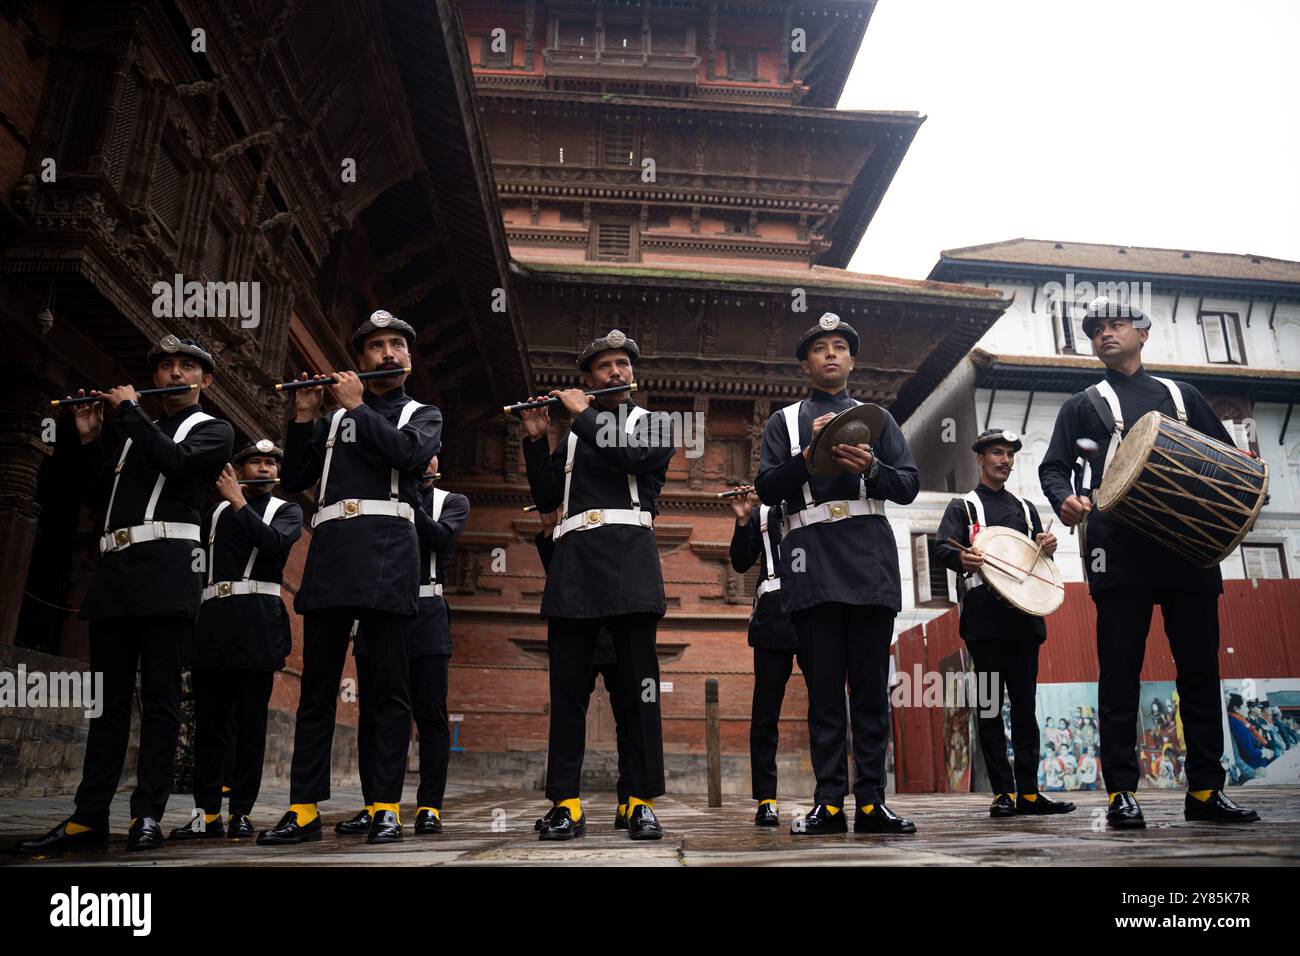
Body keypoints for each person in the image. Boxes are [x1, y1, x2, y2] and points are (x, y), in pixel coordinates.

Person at [1039, 296, 1259, 827]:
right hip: (1118, 550)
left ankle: (1206, 792)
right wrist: (1064, 497)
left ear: (1144, 334)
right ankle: (1120, 793)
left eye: (1116, 325)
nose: (1105, 334)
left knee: (1201, 672)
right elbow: (1053, 469)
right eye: (1096, 330)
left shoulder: (1183, 396)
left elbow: (1225, 458)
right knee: (1120, 674)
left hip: (1190, 547)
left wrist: (1246, 478)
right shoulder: (1082, 404)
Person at [20, 336, 233, 853]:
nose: (174, 372)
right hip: (117, 574)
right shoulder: (136, 432)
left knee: (160, 702)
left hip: (166, 574)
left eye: (187, 365)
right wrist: (93, 440)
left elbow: (177, 465)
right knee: (106, 704)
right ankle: (88, 815)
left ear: (205, 381)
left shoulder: (214, 430)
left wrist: (130, 414)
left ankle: (147, 816)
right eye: (164, 365)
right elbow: (102, 502)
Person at [258, 309, 441, 846]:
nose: (388, 353)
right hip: (334, 552)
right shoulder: (335, 418)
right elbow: (293, 479)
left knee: (388, 687)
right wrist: (304, 417)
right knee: (317, 686)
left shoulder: (421, 412)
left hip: (389, 550)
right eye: (376, 346)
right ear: (360, 359)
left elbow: (409, 455)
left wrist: (358, 404)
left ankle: (384, 805)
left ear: (409, 357)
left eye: (397, 345)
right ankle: (304, 808)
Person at [754, 312, 919, 835]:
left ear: (852, 359)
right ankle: (829, 801)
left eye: (840, 347)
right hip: (812, 561)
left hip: (869, 560)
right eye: (820, 347)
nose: (831, 354)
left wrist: (869, 466)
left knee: (869, 690)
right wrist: (810, 456)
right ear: (805, 362)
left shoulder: (880, 420)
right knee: (825, 692)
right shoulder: (783, 421)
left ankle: (872, 801)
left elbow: (909, 485)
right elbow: (766, 489)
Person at [520, 329, 675, 841]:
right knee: (568, 693)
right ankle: (566, 803)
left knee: (637, 692)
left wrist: (581, 416)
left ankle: (638, 800)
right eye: (604, 366)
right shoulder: (568, 439)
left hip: (630, 565)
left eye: (622, 364)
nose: (616, 372)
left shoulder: (655, 425)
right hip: (574, 570)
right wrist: (538, 437)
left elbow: (629, 458)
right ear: (587, 378)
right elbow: (546, 500)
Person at [935, 428, 1074, 818]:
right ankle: (1002, 793)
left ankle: (1029, 793)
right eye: (997, 453)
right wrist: (960, 559)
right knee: (990, 706)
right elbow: (943, 546)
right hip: (984, 621)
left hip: (1024, 619)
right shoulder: (964, 507)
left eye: (1010, 455)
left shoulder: (1028, 510)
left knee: (1026, 707)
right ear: (980, 458)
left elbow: (1040, 568)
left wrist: (1047, 546)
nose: (1005, 461)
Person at [170, 440, 302, 841]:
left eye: (269, 463)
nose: (263, 469)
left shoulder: (287, 510)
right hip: (214, 620)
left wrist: (237, 503)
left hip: (258, 621)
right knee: (210, 725)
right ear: (239, 468)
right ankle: (206, 813)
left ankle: (240, 811)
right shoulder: (214, 514)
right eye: (255, 462)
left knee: (249, 724)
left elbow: (275, 546)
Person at [338, 457, 469, 837]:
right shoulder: (375, 498)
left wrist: (409, 499)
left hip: (426, 611)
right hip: (378, 609)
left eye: (430, 452)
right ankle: (374, 805)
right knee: (374, 716)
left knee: (430, 713)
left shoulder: (452, 501)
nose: (425, 459)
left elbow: (440, 538)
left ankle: (429, 806)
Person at [530, 508, 634, 832]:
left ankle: (630, 801)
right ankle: (565, 802)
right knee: (567, 715)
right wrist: (551, 530)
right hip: (576, 622)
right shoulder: (571, 515)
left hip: (618, 624)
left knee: (630, 718)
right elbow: (556, 572)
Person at [727, 486, 819, 826]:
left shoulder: (814, 501)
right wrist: (742, 520)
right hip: (772, 617)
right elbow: (739, 563)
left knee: (824, 708)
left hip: (813, 610)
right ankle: (766, 799)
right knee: (765, 713)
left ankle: (829, 795)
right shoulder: (762, 512)